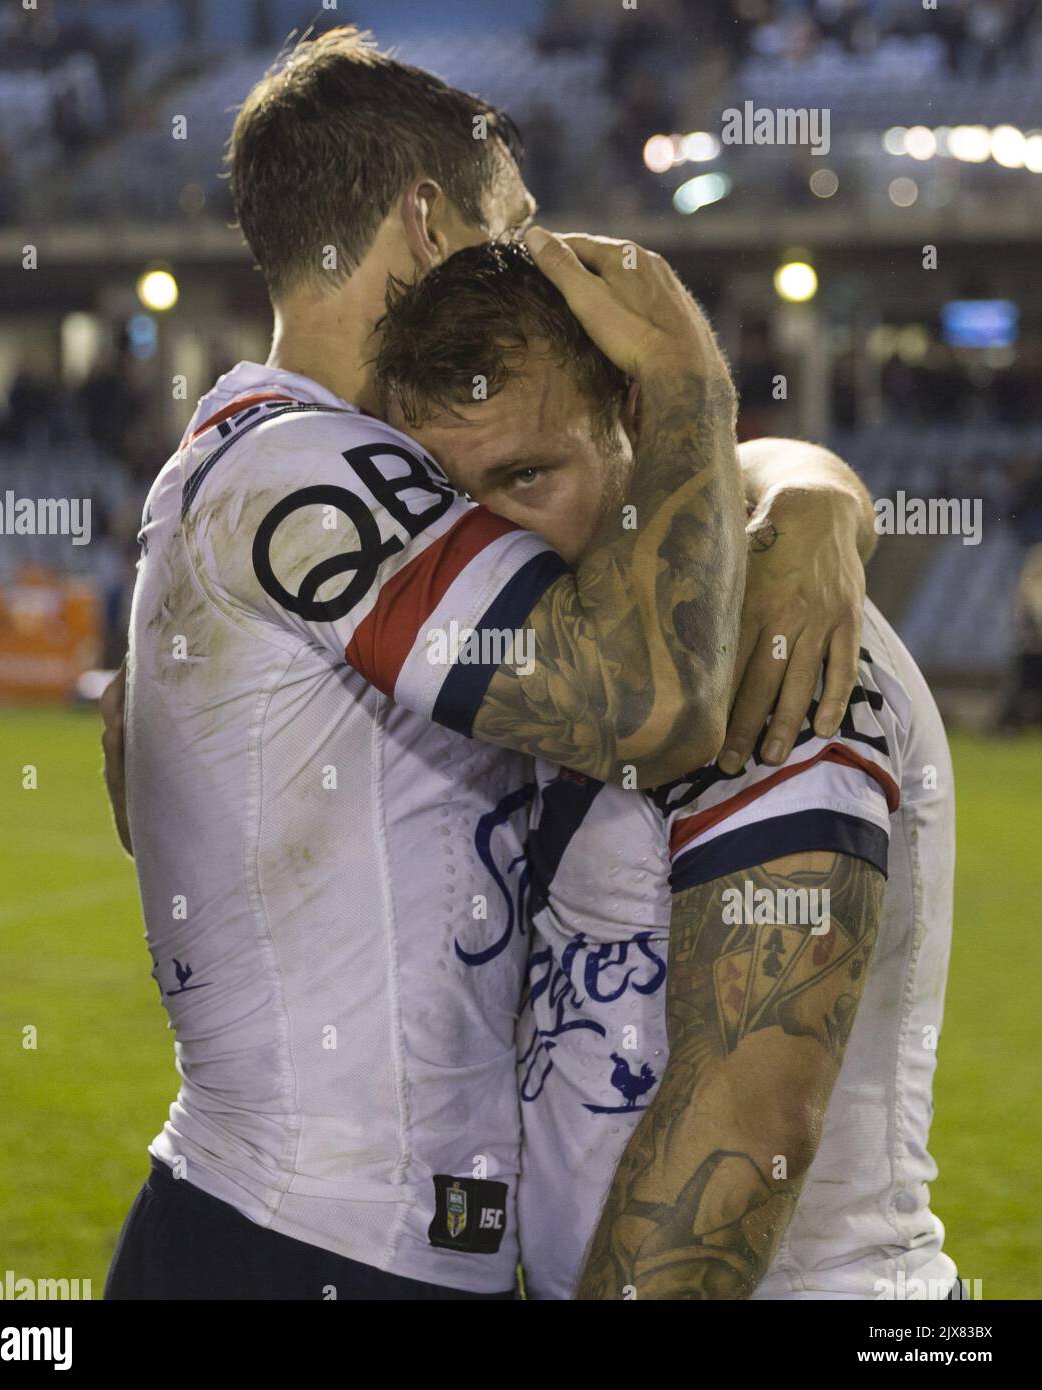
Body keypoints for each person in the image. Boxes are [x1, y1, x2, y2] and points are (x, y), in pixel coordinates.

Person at [99, 28, 870, 1300]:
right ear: (422, 218)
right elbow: (649, 702)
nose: (531, 269)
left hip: (317, 1235)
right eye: (509, 228)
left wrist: (808, 490)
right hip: (305, 1247)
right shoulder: (304, 471)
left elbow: (606, 535)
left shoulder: (273, 462)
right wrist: (682, 376)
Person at [375, 240, 955, 1301]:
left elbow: (752, 1114)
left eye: (526, 476)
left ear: (635, 425)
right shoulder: (575, 663)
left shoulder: (769, 653)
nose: (487, 534)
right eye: (453, 499)